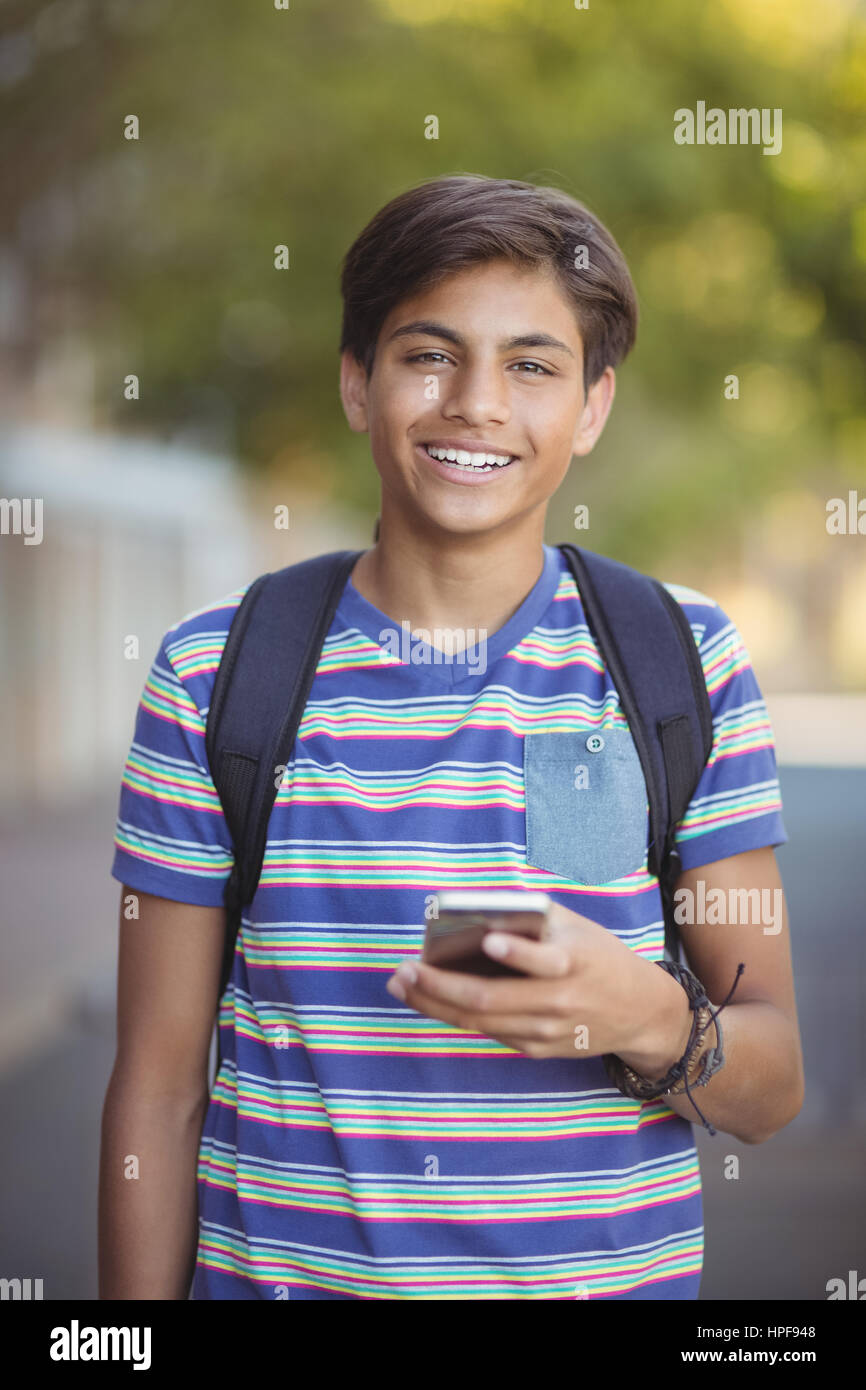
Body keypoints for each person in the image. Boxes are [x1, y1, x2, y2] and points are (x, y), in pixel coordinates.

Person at [99, 173, 804, 1300]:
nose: (475, 401)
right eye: (427, 353)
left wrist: (634, 1009)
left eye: (530, 364)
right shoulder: (217, 673)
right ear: (355, 383)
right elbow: (158, 1085)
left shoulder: (680, 663)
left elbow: (766, 1089)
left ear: (589, 407)